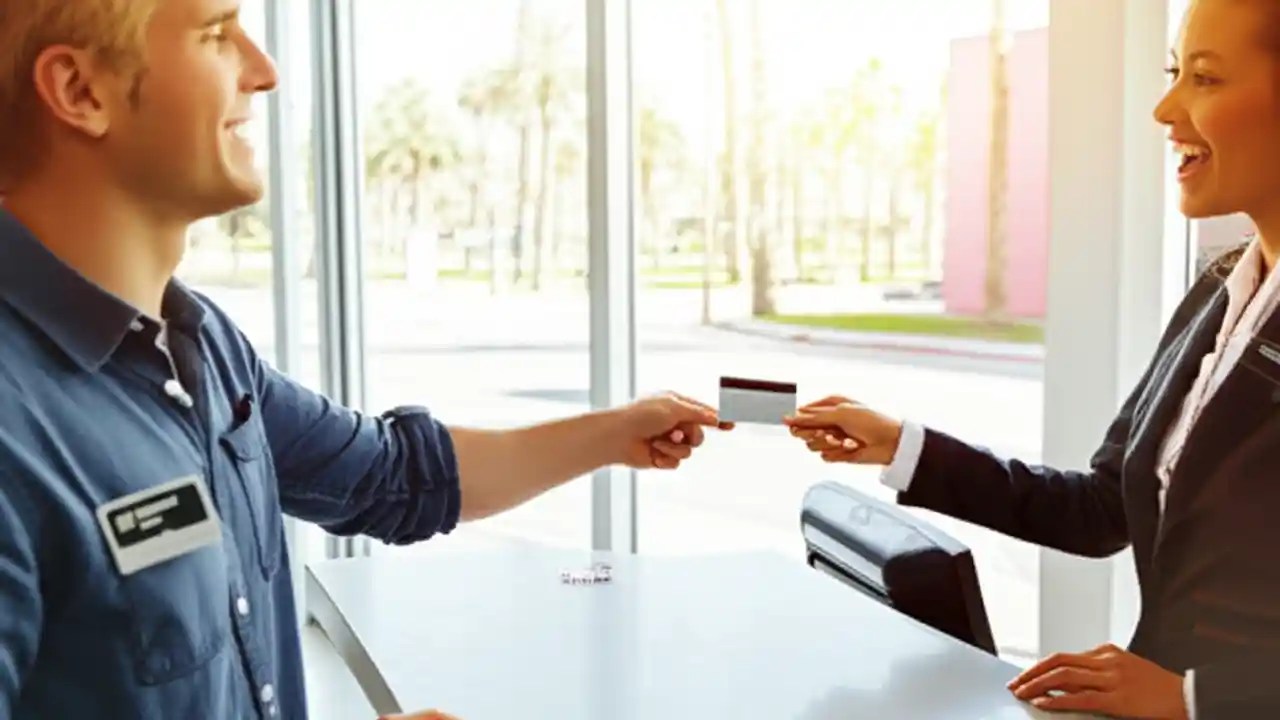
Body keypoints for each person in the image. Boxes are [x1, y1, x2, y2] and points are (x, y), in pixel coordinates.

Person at [0, 1, 731, 718]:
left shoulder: (203, 348)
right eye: (218, 34)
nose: (263, 71)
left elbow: (389, 476)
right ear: (80, 90)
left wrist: (615, 432)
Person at [785, 1, 1280, 718]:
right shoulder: (1224, 287)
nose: (1165, 107)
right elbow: (1102, 506)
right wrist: (901, 446)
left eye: (1204, 78)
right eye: (1175, 72)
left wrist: (1194, 699)